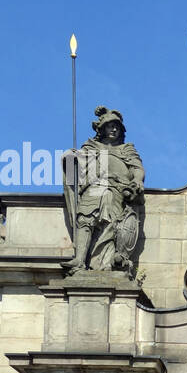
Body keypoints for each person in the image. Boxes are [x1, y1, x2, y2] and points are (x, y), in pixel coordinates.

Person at [65, 106, 144, 276]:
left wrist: (137, 179)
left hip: (117, 189)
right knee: (85, 219)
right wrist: (69, 158)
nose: (113, 129)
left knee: (110, 224)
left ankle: (105, 264)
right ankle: (79, 259)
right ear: (102, 129)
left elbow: (137, 168)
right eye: (109, 126)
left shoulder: (126, 149)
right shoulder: (90, 146)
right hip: (93, 188)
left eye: (117, 126)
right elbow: (75, 168)